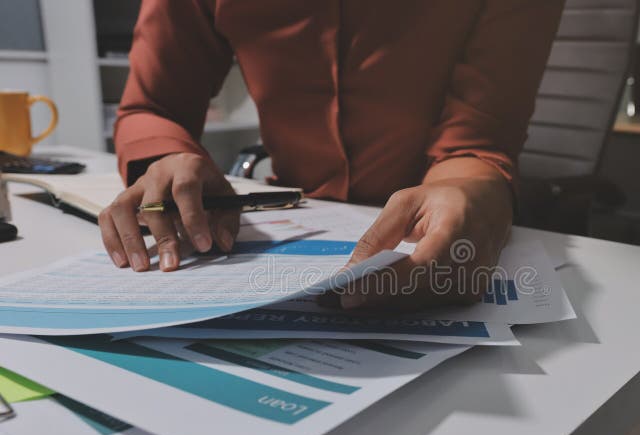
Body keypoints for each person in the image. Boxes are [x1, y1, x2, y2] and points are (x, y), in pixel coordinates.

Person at [99, 0, 563, 310]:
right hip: (292, 231)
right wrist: (167, 157)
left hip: (427, 239)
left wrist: (462, 193)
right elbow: (152, 108)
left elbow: (480, 136)